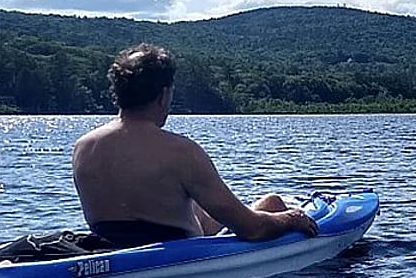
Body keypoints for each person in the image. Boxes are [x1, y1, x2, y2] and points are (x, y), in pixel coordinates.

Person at [72, 43, 319, 249]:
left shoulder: (84, 147)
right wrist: (291, 219)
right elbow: (252, 229)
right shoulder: (180, 152)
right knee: (273, 203)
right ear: (163, 96)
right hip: (177, 257)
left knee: (198, 207)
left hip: (111, 249)